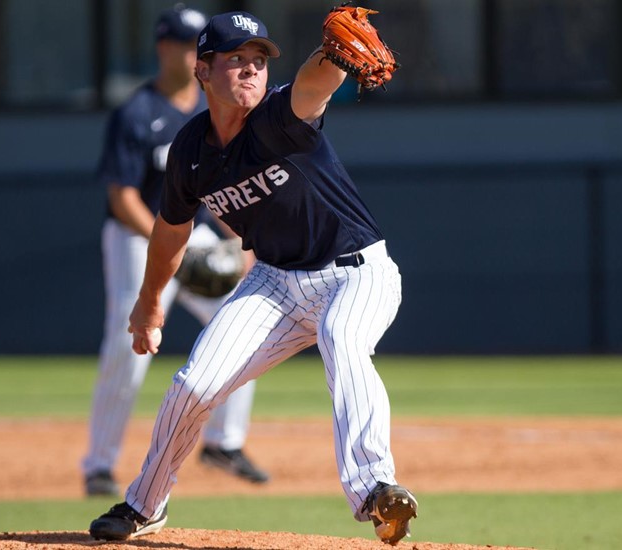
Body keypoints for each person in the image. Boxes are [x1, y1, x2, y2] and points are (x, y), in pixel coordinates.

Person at [88, 9, 417, 546]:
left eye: (259, 60)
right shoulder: (190, 151)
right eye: (235, 59)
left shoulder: (280, 116)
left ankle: (377, 489)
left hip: (355, 273)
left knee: (344, 342)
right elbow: (171, 233)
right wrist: (149, 304)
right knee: (195, 384)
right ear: (202, 70)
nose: (249, 70)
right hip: (275, 283)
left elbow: (316, 82)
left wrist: (333, 55)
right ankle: (144, 504)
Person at [82, 4, 269, 498]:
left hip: (198, 231)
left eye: (198, 45)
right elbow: (122, 197)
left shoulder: (213, 111)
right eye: (183, 44)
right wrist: (170, 248)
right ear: (164, 47)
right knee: (129, 344)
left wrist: (240, 238)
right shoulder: (136, 113)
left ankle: (224, 443)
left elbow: (218, 190)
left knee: (243, 321)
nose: (190, 54)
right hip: (135, 235)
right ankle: (99, 464)